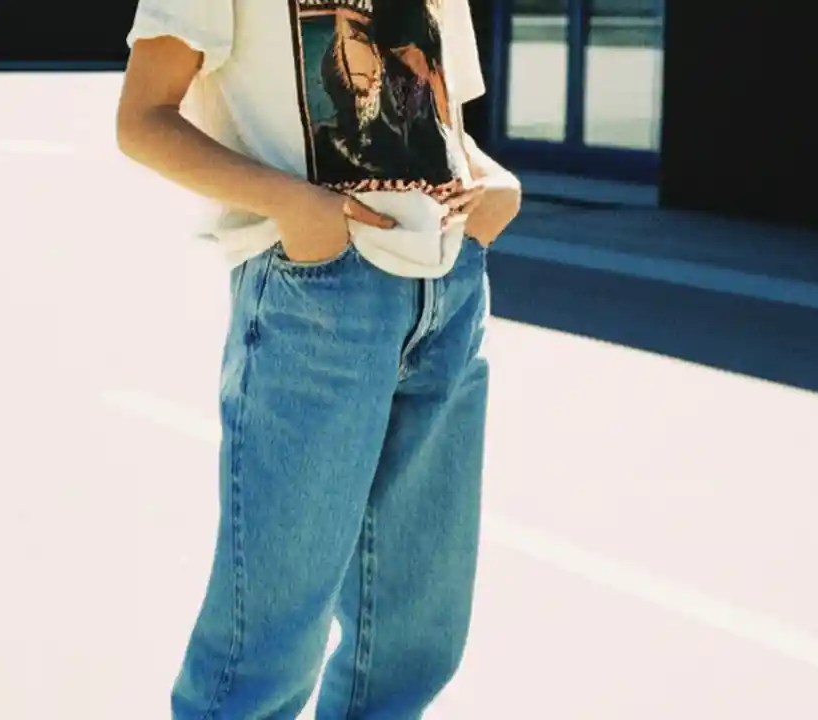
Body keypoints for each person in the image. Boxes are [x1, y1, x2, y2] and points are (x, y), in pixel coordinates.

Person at [118, 0, 522, 716]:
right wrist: (298, 209)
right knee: (265, 653)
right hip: (320, 300)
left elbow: (439, 112)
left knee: (410, 644)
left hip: (448, 292)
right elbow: (143, 119)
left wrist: (498, 187)